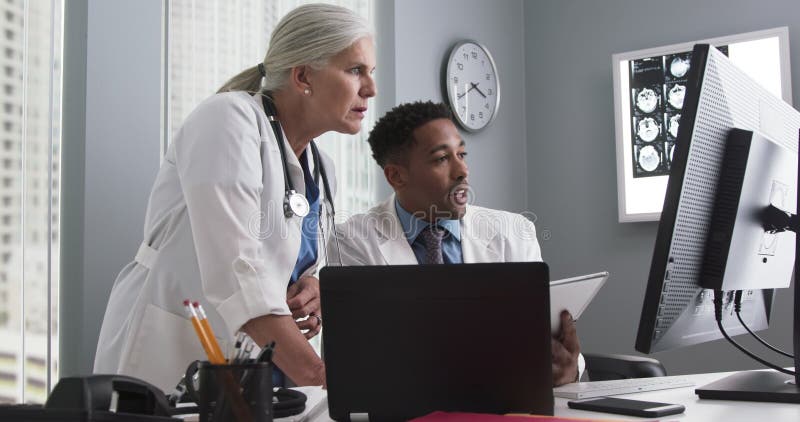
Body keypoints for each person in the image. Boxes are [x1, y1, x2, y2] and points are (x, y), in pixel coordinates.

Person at [94, 3, 376, 391]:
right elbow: (238, 273)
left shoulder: (322, 167)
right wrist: (323, 377)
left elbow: (288, 256)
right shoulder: (229, 121)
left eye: (371, 73)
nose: (371, 88)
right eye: (355, 70)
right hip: (180, 353)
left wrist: (313, 287)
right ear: (303, 76)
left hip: (262, 363)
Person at [330, 101, 582, 386]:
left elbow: (542, 336)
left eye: (462, 154)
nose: (462, 171)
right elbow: (360, 356)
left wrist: (568, 368)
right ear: (396, 175)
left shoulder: (515, 232)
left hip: (504, 401)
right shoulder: (352, 241)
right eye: (441, 159)